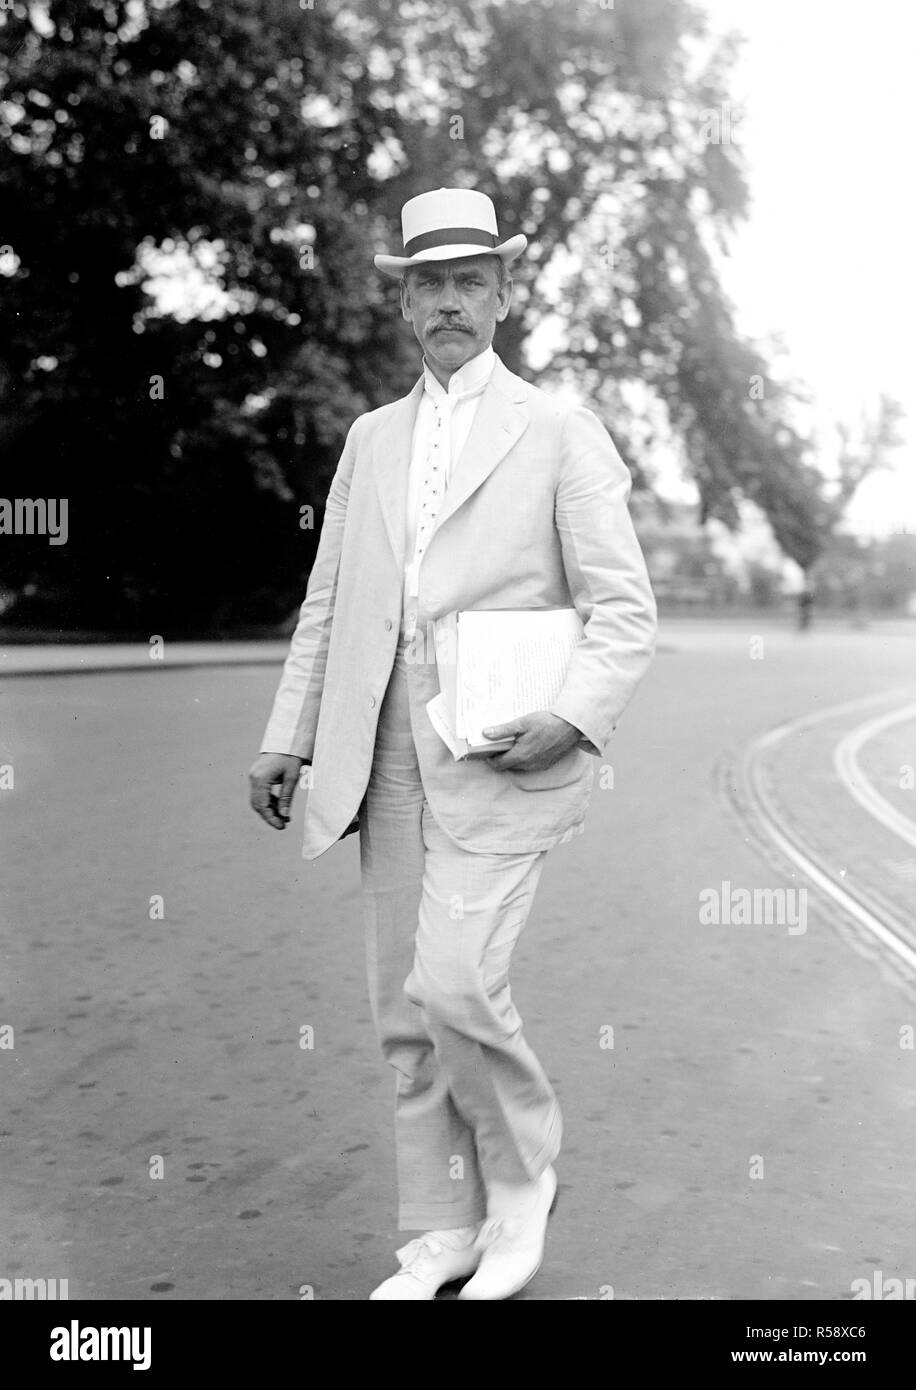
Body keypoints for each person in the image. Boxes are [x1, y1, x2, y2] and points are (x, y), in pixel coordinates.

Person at [249, 186, 657, 1300]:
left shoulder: (560, 431)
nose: (447, 303)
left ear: (502, 294)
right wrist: (288, 734)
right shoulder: (371, 440)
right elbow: (329, 604)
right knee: (403, 1012)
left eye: (468, 280)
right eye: (427, 283)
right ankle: (439, 1230)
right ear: (403, 303)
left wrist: (572, 714)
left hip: (502, 753)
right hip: (380, 753)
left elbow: (623, 609)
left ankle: (523, 1184)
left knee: (458, 984)